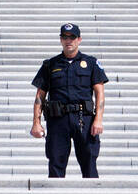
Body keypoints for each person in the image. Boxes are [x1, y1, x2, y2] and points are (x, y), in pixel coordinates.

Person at [30, 23, 108, 178]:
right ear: (60, 40)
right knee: (56, 161)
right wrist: (36, 123)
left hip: (83, 119)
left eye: (72, 37)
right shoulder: (50, 65)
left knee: (89, 162)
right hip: (58, 120)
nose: (69, 41)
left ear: (79, 39)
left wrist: (98, 119)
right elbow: (40, 95)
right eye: (65, 37)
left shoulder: (91, 63)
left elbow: (100, 92)